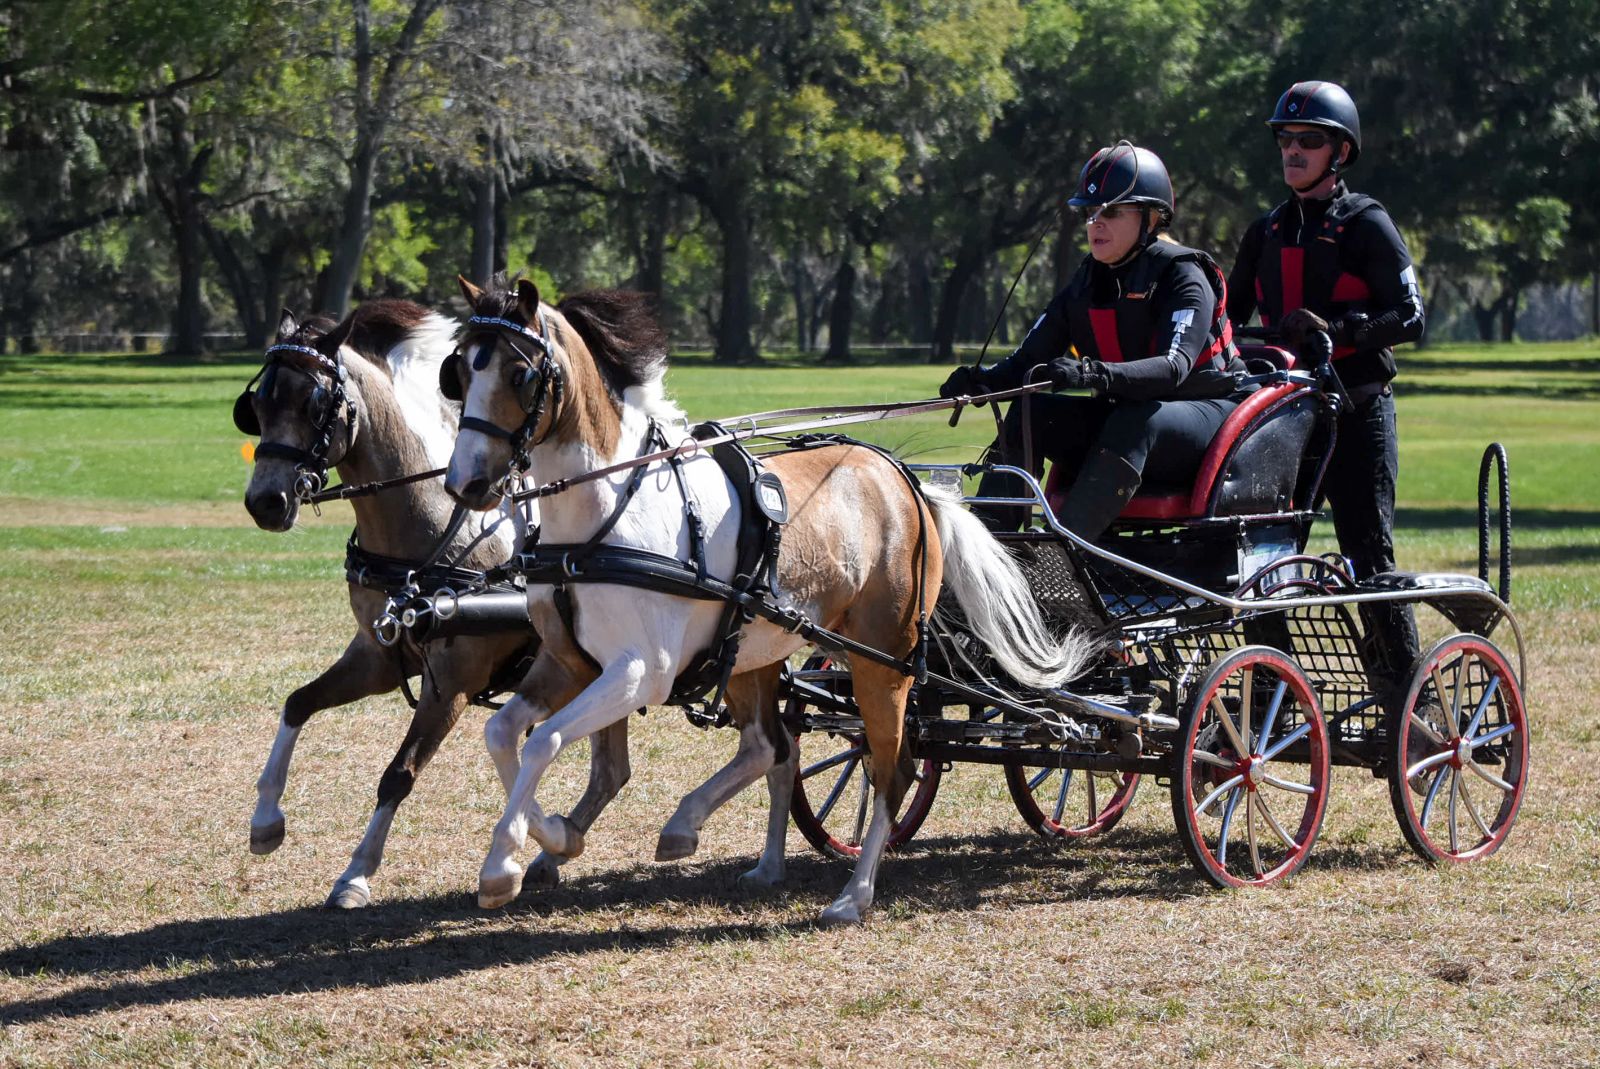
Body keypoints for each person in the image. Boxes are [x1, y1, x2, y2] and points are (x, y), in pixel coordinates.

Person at [1225, 80, 1426, 708]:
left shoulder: (1367, 223)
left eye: (1308, 140)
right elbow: (1228, 319)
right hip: (1285, 418)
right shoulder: (1265, 232)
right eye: (1286, 139)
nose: (1293, 150)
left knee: (1370, 558)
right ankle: (1274, 696)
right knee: (1262, 562)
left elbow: (1412, 315)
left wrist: (1339, 334)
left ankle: (1406, 704)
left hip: (1358, 411)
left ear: (1340, 151)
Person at [939, 142, 1251, 539]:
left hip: (1207, 418)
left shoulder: (1183, 274)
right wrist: (980, 381)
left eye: (1112, 211)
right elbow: (1027, 364)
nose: (1095, 223)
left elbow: (1173, 368)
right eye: (1090, 212)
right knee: (1030, 412)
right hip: (1128, 422)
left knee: (1135, 421)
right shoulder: (1085, 282)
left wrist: (1091, 373)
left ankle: (1068, 550)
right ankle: (987, 553)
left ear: (1152, 217)